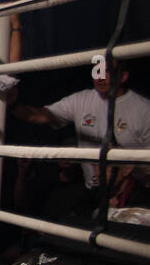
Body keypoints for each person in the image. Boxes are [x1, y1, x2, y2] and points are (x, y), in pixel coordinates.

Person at [12, 66, 150, 220]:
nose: (100, 77)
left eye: (107, 71)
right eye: (96, 71)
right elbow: (41, 116)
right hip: (94, 193)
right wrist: (11, 104)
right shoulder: (82, 100)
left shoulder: (143, 110)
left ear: (123, 76)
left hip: (135, 194)